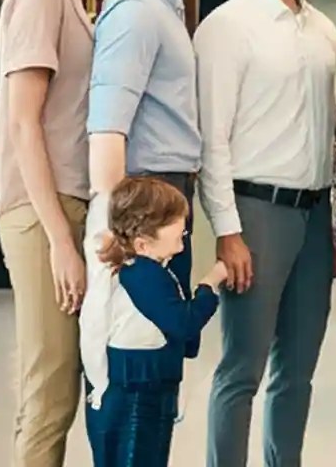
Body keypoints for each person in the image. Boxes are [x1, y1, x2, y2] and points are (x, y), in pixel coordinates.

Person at [197, 0, 336, 466]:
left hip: (312, 217)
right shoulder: (228, 27)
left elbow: (333, 134)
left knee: (300, 370)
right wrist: (228, 232)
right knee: (243, 368)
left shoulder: (324, 30)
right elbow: (213, 141)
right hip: (255, 213)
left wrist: (332, 223)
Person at [80, 0, 220, 440]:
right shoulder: (136, 11)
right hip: (142, 204)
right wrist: (118, 239)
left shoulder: (165, 7)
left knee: (161, 366)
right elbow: (107, 129)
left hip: (162, 202)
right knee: (135, 377)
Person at [0, 0, 110, 467]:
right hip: (44, 209)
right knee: (50, 390)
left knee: (63, 385)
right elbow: (22, 120)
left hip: (67, 203)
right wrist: (61, 240)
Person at [86, 176, 228, 467]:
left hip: (146, 384)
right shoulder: (143, 275)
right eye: (174, 222)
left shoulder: (146, 270)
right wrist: (209, 285)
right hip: (138, 390)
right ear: (143, 241)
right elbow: (182, 323)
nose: (183, 228)